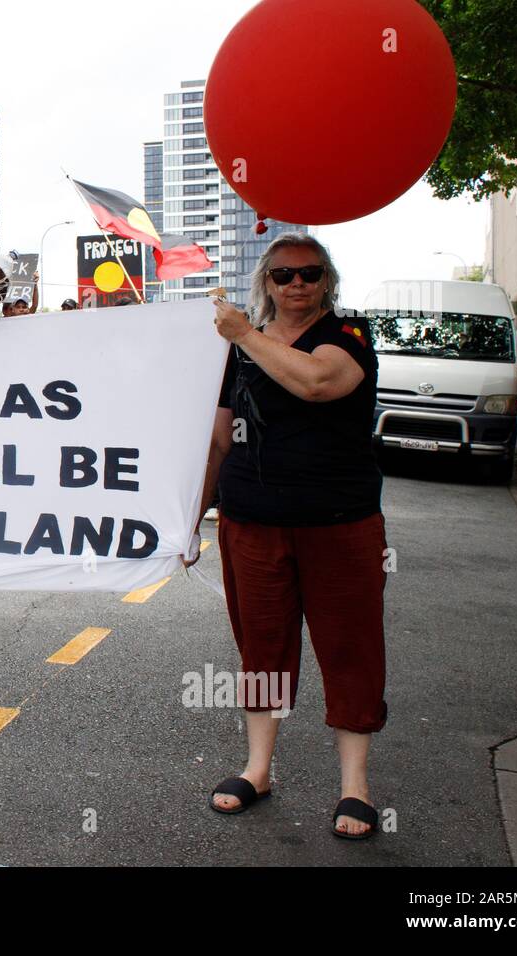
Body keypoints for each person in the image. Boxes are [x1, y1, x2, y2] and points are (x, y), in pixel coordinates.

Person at [189, 234, 385, 840]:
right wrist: (190, 516)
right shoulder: (237, 352)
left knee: (349, 648)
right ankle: (258, 769)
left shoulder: (349, 338)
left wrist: (246, 334)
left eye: (309, 274)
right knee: (262, 648)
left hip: (339, 524)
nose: (297, 285)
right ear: (266, 282)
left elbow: (319, 384)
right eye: (283, 275)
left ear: (327, 280)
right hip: (253, 521)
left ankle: (355, 788)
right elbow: (219, 440)